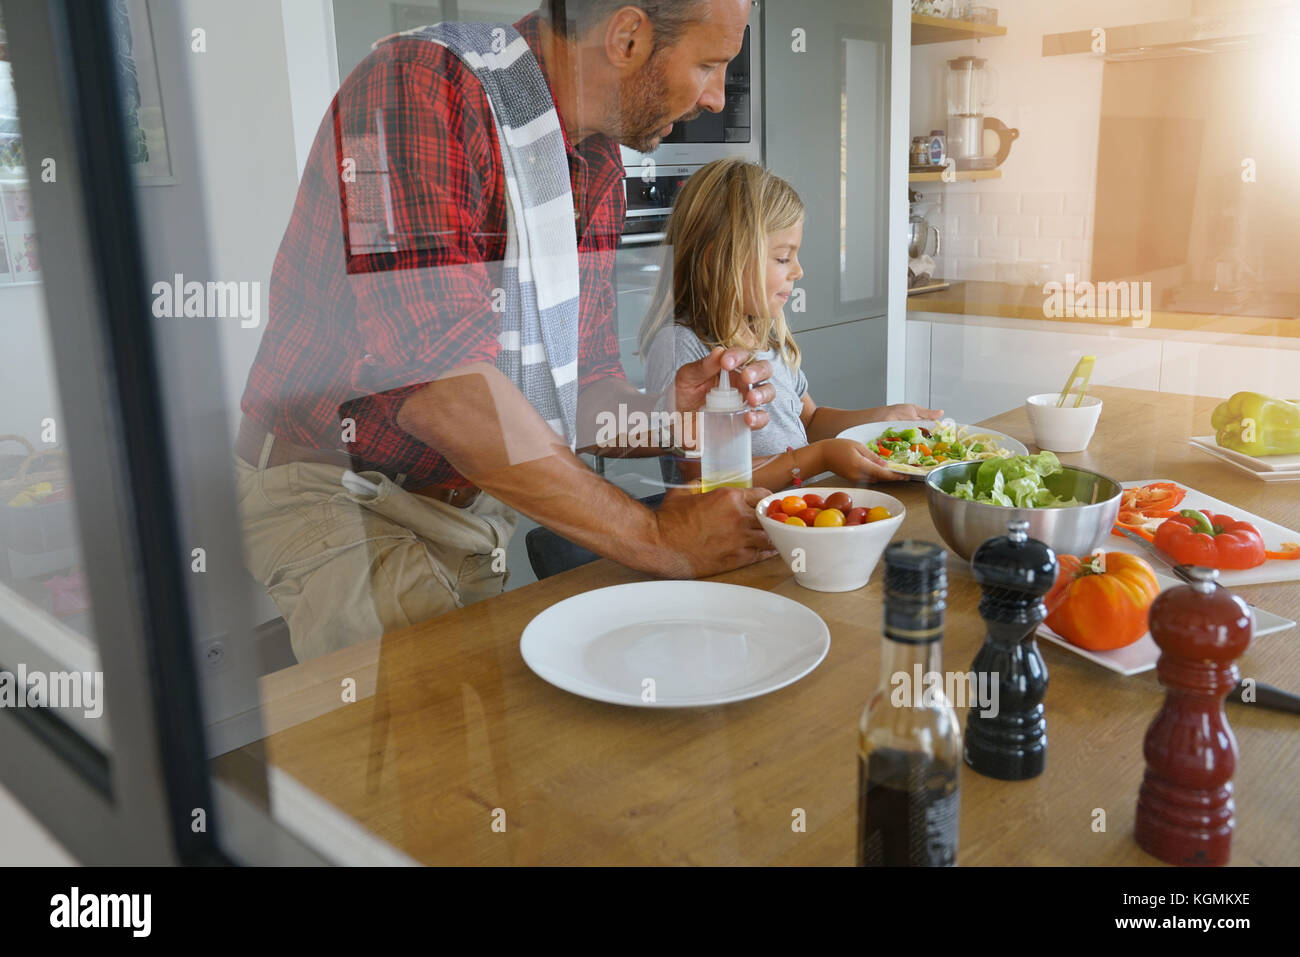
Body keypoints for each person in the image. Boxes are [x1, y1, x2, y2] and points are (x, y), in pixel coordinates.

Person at [235, 0, 780, 662]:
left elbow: (580, 397)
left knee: (491, 735)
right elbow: (446, 394)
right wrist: (659, 539)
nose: (717, 97)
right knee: (424, 748)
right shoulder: (416, 89)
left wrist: (671, 417)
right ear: (628, 37)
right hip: (344, 491)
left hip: (470, 498)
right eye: (710, 64)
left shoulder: (594, 166)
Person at [640, 158, 943, 490]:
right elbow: (704, 479)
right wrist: (820, 458)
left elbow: (810, 420)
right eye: (783, 258)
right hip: (736, 536)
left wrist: (882, 420)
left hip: (789, 522)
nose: (798, 271)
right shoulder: (684, 348)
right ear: (720, 260)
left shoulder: (762, 332)